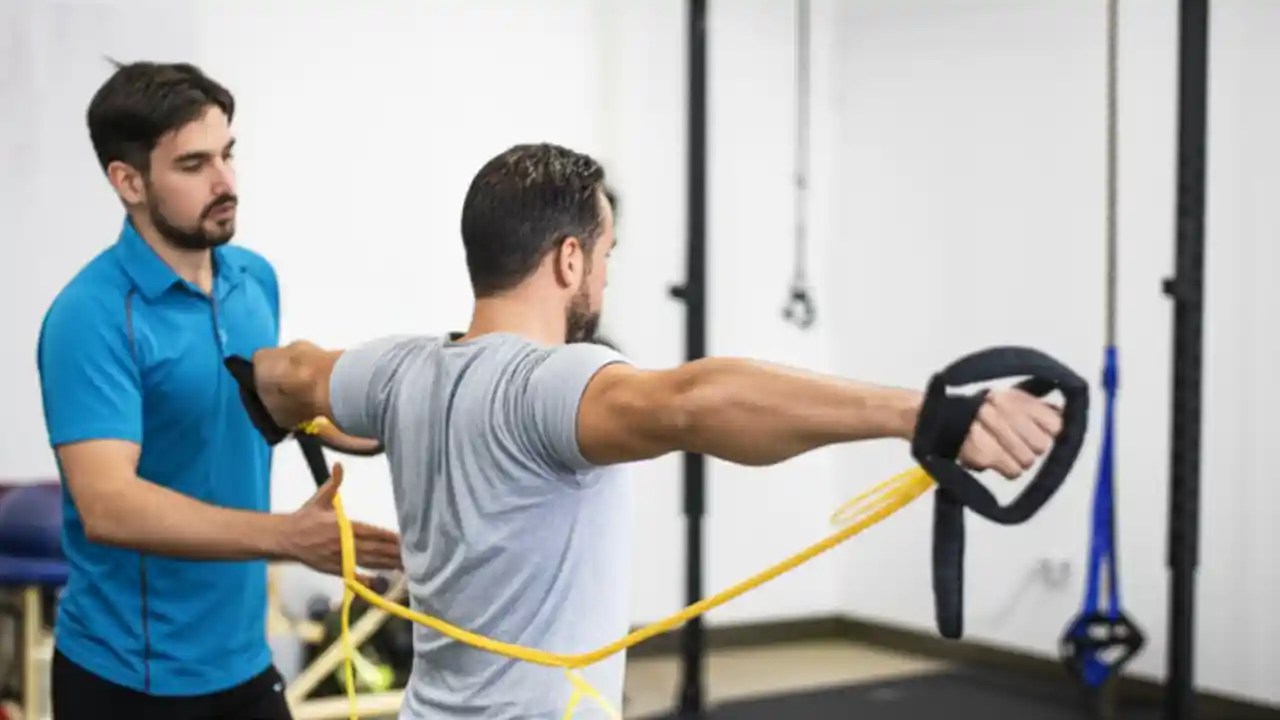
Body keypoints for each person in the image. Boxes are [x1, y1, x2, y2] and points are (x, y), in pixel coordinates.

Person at [246, 142, 1065, 719]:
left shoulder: (397, 372)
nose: (605, 274)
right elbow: (694, 402)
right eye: (607, 254)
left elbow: (287, 370)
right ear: (569, 260)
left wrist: (288, 406)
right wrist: (924, 415)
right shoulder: (551, 383)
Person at [35, 60, 402, 720]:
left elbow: (270, 408)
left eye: (228, 154)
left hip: (241, 664)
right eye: (193, 164)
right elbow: (108, 505)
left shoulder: (252, 280)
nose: (225, 181)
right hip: (129, 679)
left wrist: (407, 412)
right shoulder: (89, 317)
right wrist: (286, 537)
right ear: (128, 181)